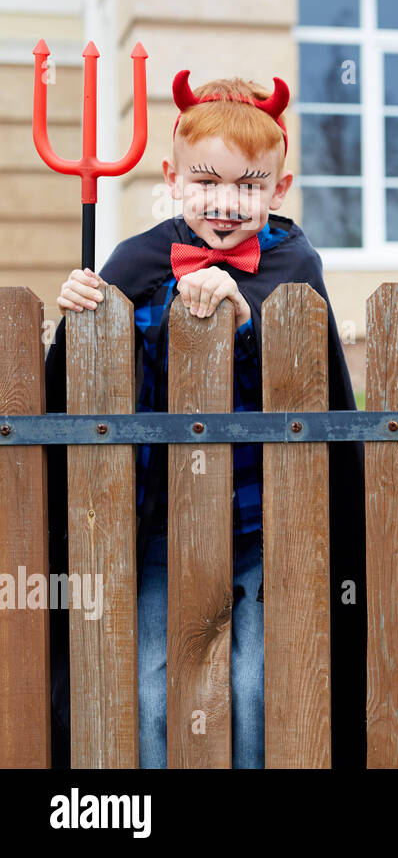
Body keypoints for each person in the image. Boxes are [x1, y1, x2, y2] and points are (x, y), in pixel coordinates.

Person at [46, 71, 367, 769]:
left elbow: (310, 389)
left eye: (249, 185)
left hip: (265, 529)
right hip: (160, 527)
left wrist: (248, 321)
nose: (226, 203)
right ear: (171, 177)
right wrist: (80, 317)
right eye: (205, 181)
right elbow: (87, 388)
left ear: (278, 190)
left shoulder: (294, 262)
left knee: (256, 687)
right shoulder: (135, 259)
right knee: (151, 687)